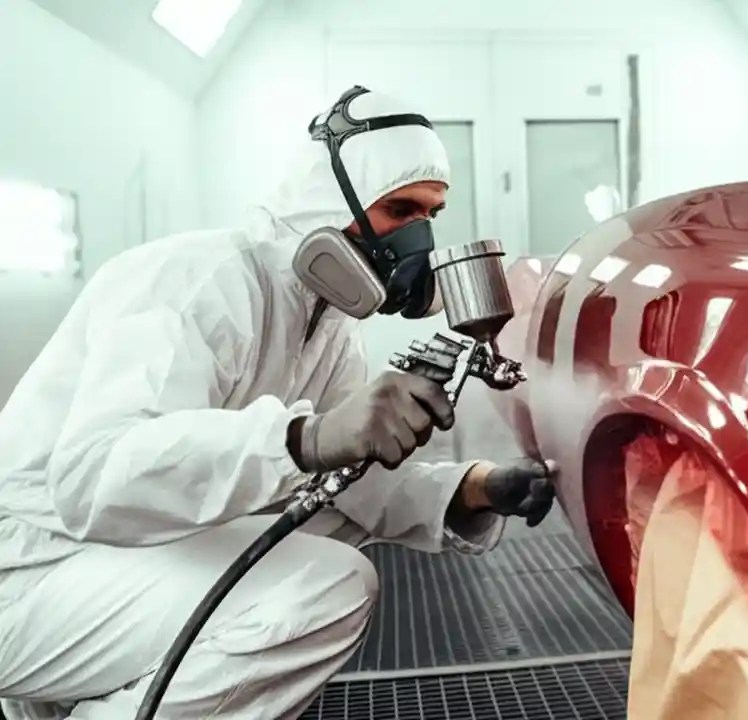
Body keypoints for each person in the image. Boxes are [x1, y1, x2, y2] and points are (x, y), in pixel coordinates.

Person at [0, 86, 555, 719]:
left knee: (321, 523)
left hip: (113, 558)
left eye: (431, 213)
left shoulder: (328, 327)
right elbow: (95, 475)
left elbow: (343, 486)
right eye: (400, 209)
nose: (419, 237)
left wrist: (475, 488)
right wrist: (304, 439)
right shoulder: (200, 280)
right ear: (330, 204)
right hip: (32, 566)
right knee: (323, 587)